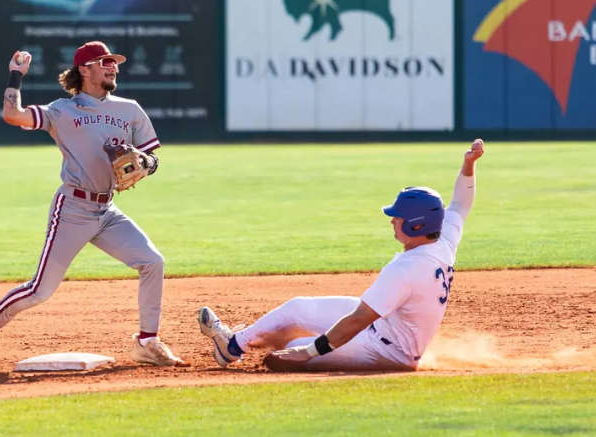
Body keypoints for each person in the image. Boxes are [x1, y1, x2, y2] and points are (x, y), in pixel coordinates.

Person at [0, 41, 185, 368]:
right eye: (104, 61)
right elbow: (12, 114)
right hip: (73, 210)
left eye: (114, 62)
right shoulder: (62, 110)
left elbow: (152, 156)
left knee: (153, 262)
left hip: (107, 211)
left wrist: (147, 163)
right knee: (40, 291)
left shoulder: (129, 109)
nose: (112, 66)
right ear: (84, 69)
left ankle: (147, 343)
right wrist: (15, 76)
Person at [198, 139, 486, 371]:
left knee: (289, 351)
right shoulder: (442, 239)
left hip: (387, 352)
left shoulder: (407, 270)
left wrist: (307, 352)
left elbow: (356, 321)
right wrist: (468, 164)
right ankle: (231, 346)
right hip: (382, 328)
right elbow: (460, 204)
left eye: (397, 218)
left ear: (416, 224)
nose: (392, 221)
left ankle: (281, 347)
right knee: (297, 307)